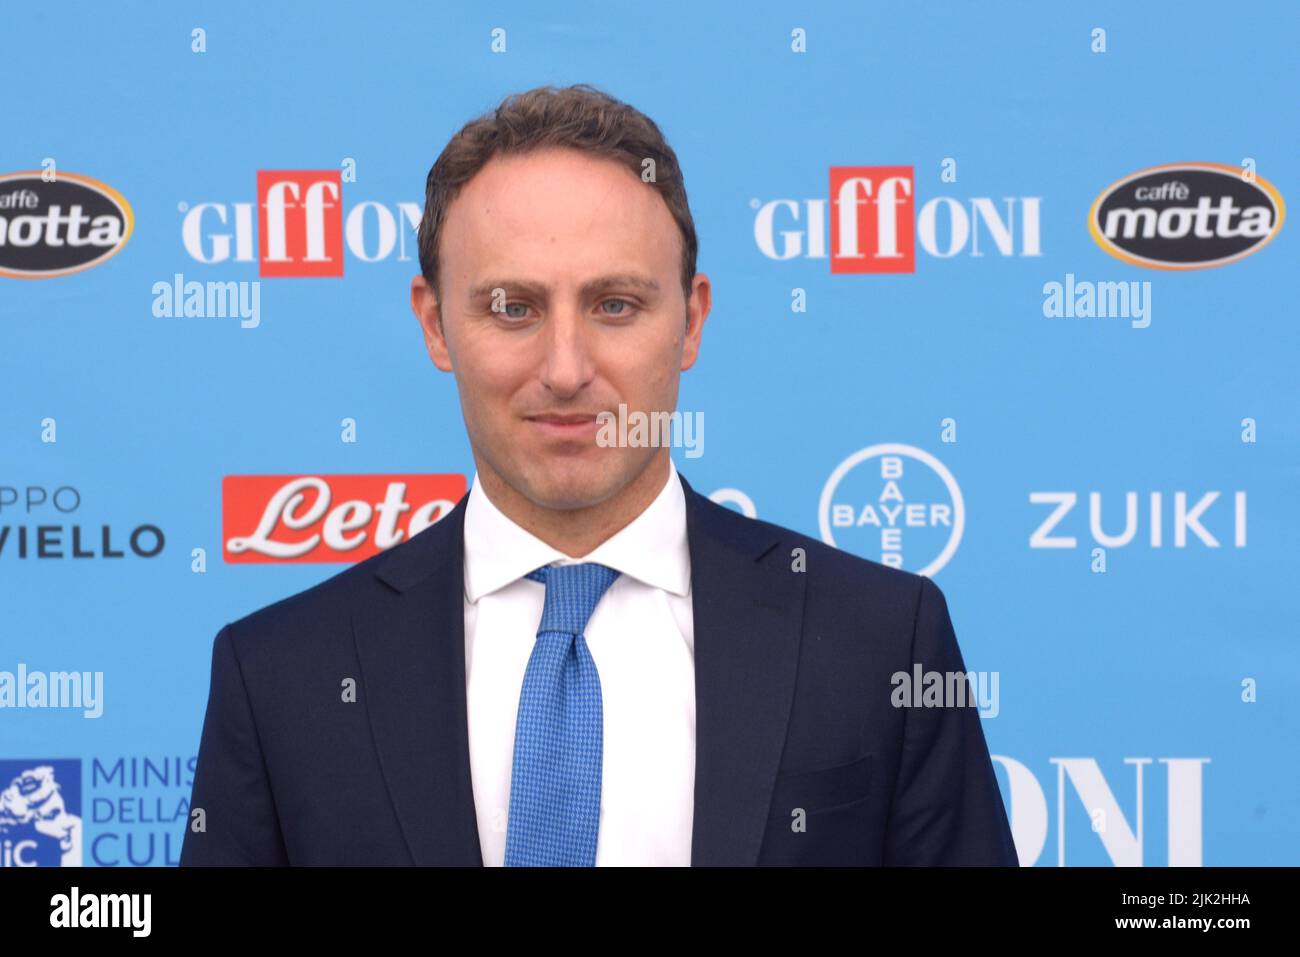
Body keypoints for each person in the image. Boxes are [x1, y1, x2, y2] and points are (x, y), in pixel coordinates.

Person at [180, 83, 1017, 866]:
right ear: (435, 325)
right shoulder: (280, 676)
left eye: (615, 304)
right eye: (514, 307)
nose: (566, 367)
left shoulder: (879, 639)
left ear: (690, 322)